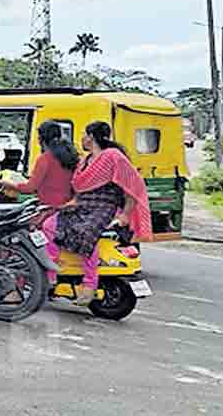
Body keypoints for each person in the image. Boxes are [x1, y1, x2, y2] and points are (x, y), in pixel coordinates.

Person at [41, 121, 152, 305]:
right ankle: (51, 274)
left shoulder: (113, 157)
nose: (82, 139)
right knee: (48, 225)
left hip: (104, 206)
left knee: (86, 233)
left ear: (91, 137)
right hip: (82, 204)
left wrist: (125, 214)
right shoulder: (86, 160)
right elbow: (80, 188)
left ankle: (89, 285)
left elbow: (132, 186)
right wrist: (71, 203)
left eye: (84, 134)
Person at [0, 120, 77, 207]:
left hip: (50, 206)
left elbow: (30, 188)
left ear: (41, 139)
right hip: (67, 205)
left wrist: (6, 184)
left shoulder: (45, 159)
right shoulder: (69, 156)